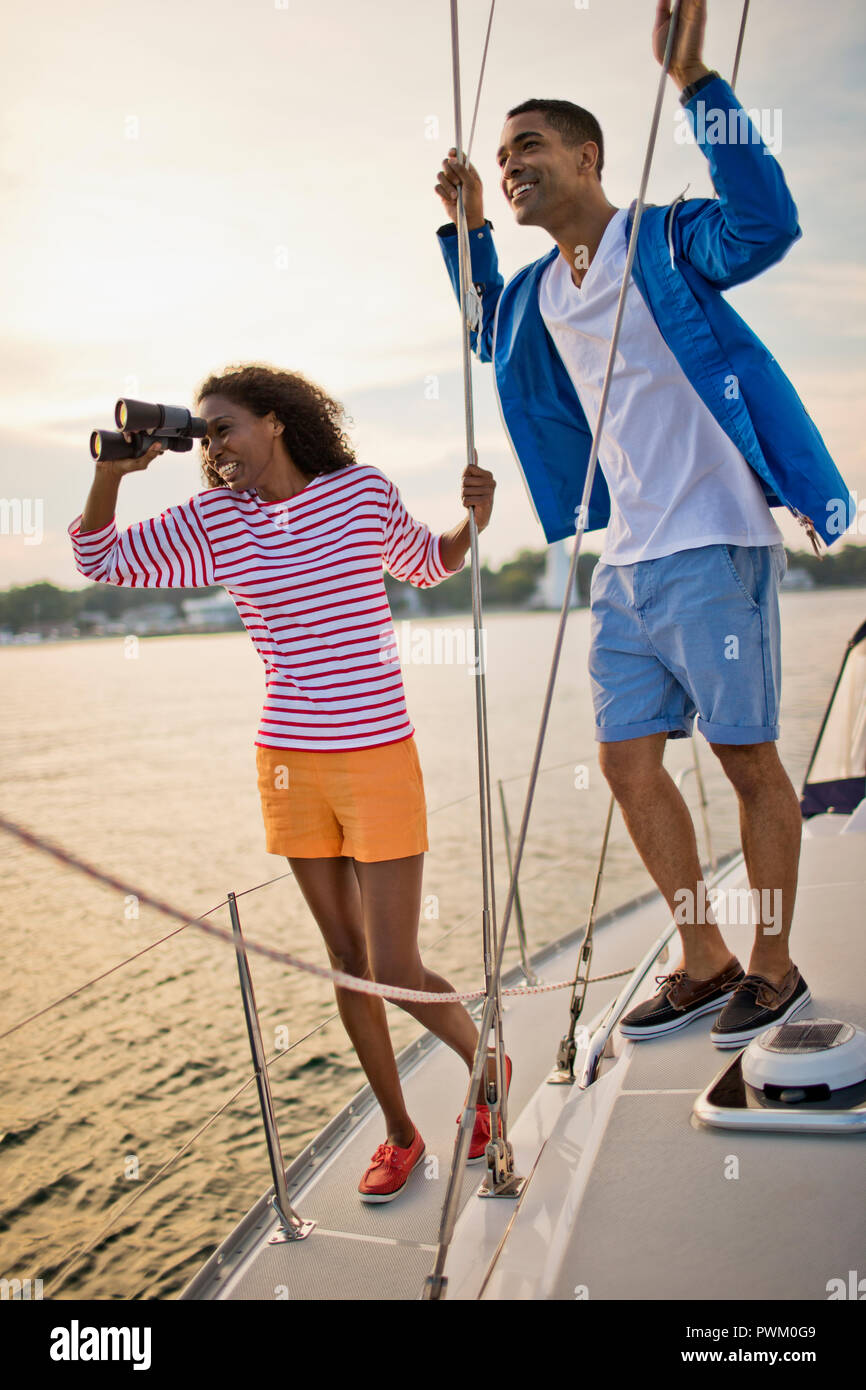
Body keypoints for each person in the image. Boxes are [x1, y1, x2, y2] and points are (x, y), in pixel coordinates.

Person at [433, 0, 855, 1047]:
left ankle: (771, 964)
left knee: (744, 759)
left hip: (713, 541)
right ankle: (702, 955)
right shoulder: (536, 292)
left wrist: (693, 83)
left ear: (586, 156)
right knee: (627, 766)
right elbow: (483, 331)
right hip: (624, 561)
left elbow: (762, 224)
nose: (513, 160)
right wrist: (469, 221)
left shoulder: (662, 241)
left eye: (528, 146)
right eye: (501, 152)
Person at [69, 362, 506, 1202]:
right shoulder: (214, 519)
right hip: (286, 761)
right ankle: (401, 1130)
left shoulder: (360, 493)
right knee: (346, 963)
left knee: (394, 964)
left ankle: (489, 1063)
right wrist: (107, 474)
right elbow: (98, 558)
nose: (214, 447)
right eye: (203, 435)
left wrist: (470, 523)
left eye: (224, 427)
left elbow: (427, 562)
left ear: (275, 422)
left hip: (377, 751)